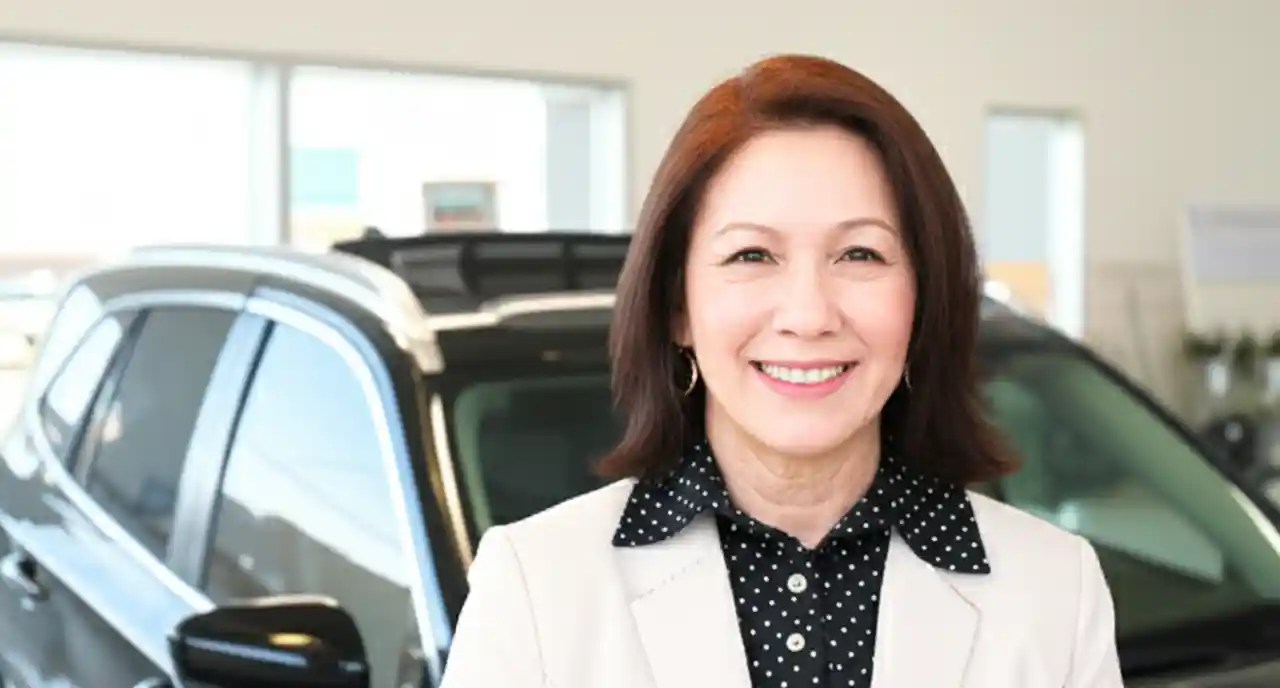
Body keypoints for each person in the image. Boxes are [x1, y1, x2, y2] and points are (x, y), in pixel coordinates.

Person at [441, 54, 1123, 688]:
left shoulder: (1056, 589)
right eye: (751, 256)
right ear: (678, 305)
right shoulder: (537, 586)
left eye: (859, 254)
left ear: (923, 298)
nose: (807, 315)